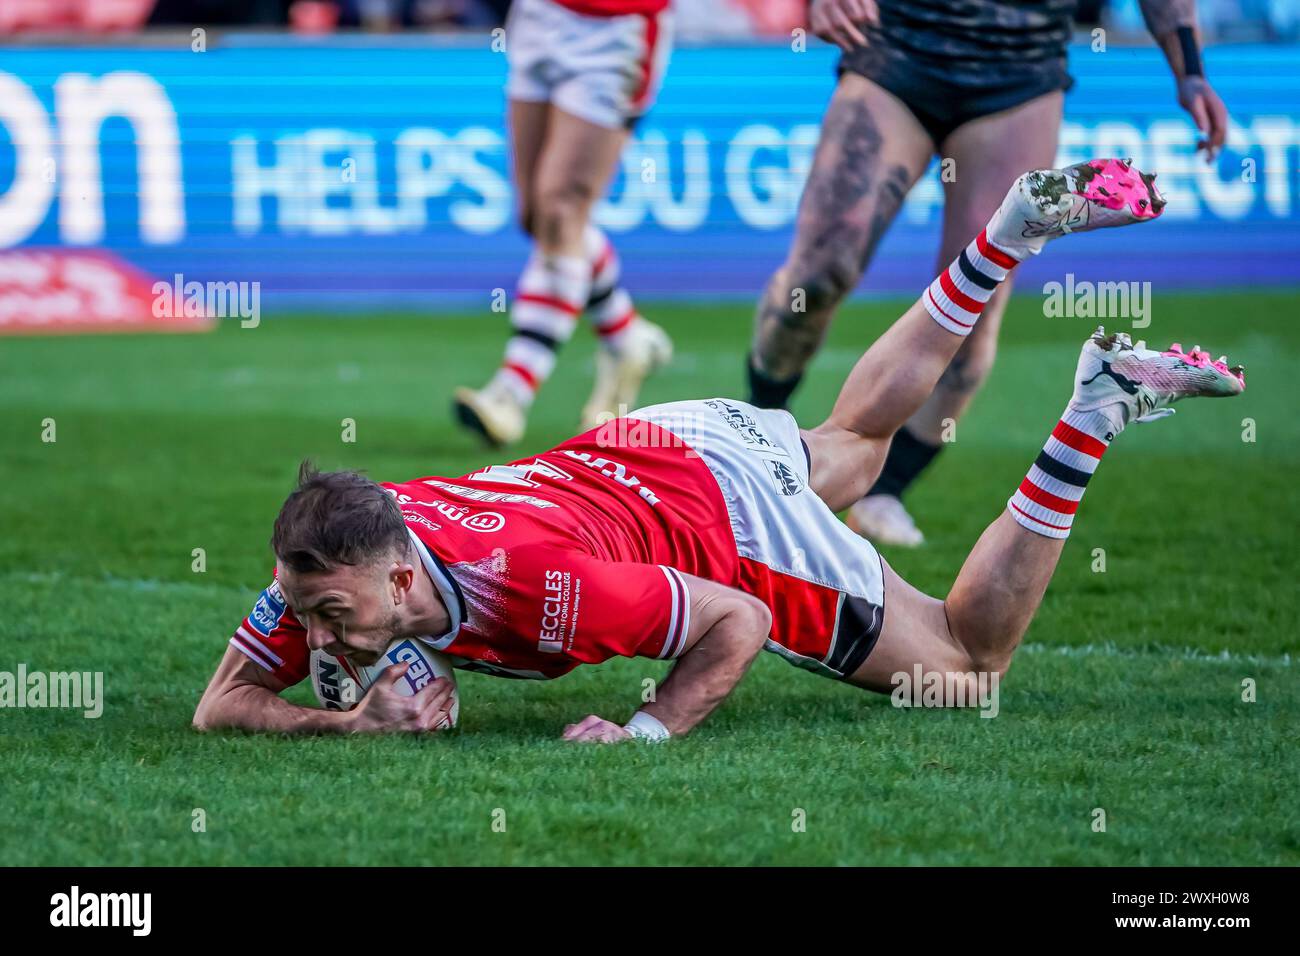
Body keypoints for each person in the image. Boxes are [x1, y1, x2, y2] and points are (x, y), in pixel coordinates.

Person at [195, 161, 1243, 741]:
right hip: (656, 440)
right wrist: (338, 719)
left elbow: (734, 617)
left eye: (332, 616)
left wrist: (644, 731)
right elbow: (219, 705)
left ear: (404, 569)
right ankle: (1006, 230)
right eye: (309, 612)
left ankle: (1093, 410)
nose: (314, 634)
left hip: (728, 530)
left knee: (967, 666)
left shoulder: (538, 588)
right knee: (856, 445)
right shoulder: (343, 547)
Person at [746, 0, 1229, 547]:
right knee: (817, 275)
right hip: (896, 47)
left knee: (975, 302)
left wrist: (1190, 72)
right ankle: (762, 443)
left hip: (1020, 74)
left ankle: (886, 490)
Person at [453, 0, 675, 448]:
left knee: (561, 209)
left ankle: (510, 393)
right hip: (538, 16)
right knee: (539, 218)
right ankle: (627, 337)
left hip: (616, 26)